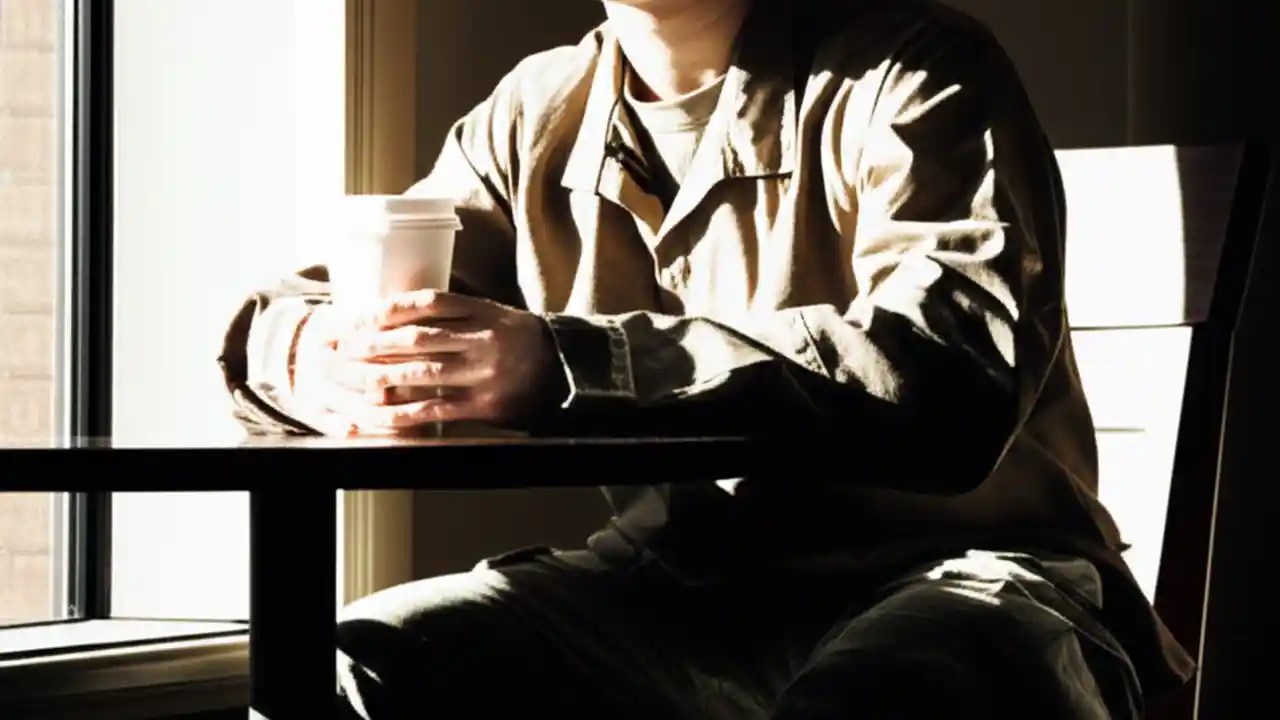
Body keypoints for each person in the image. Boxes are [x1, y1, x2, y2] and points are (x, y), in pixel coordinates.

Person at [218, 0, 1195, 716]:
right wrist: (310, 348)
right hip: (673, 587)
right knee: (352, 671)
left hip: (967, 573)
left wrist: (571, 362)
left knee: (889, 691)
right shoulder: (537, 111)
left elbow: (949, 378)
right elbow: (337, 288)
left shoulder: (914, 71)